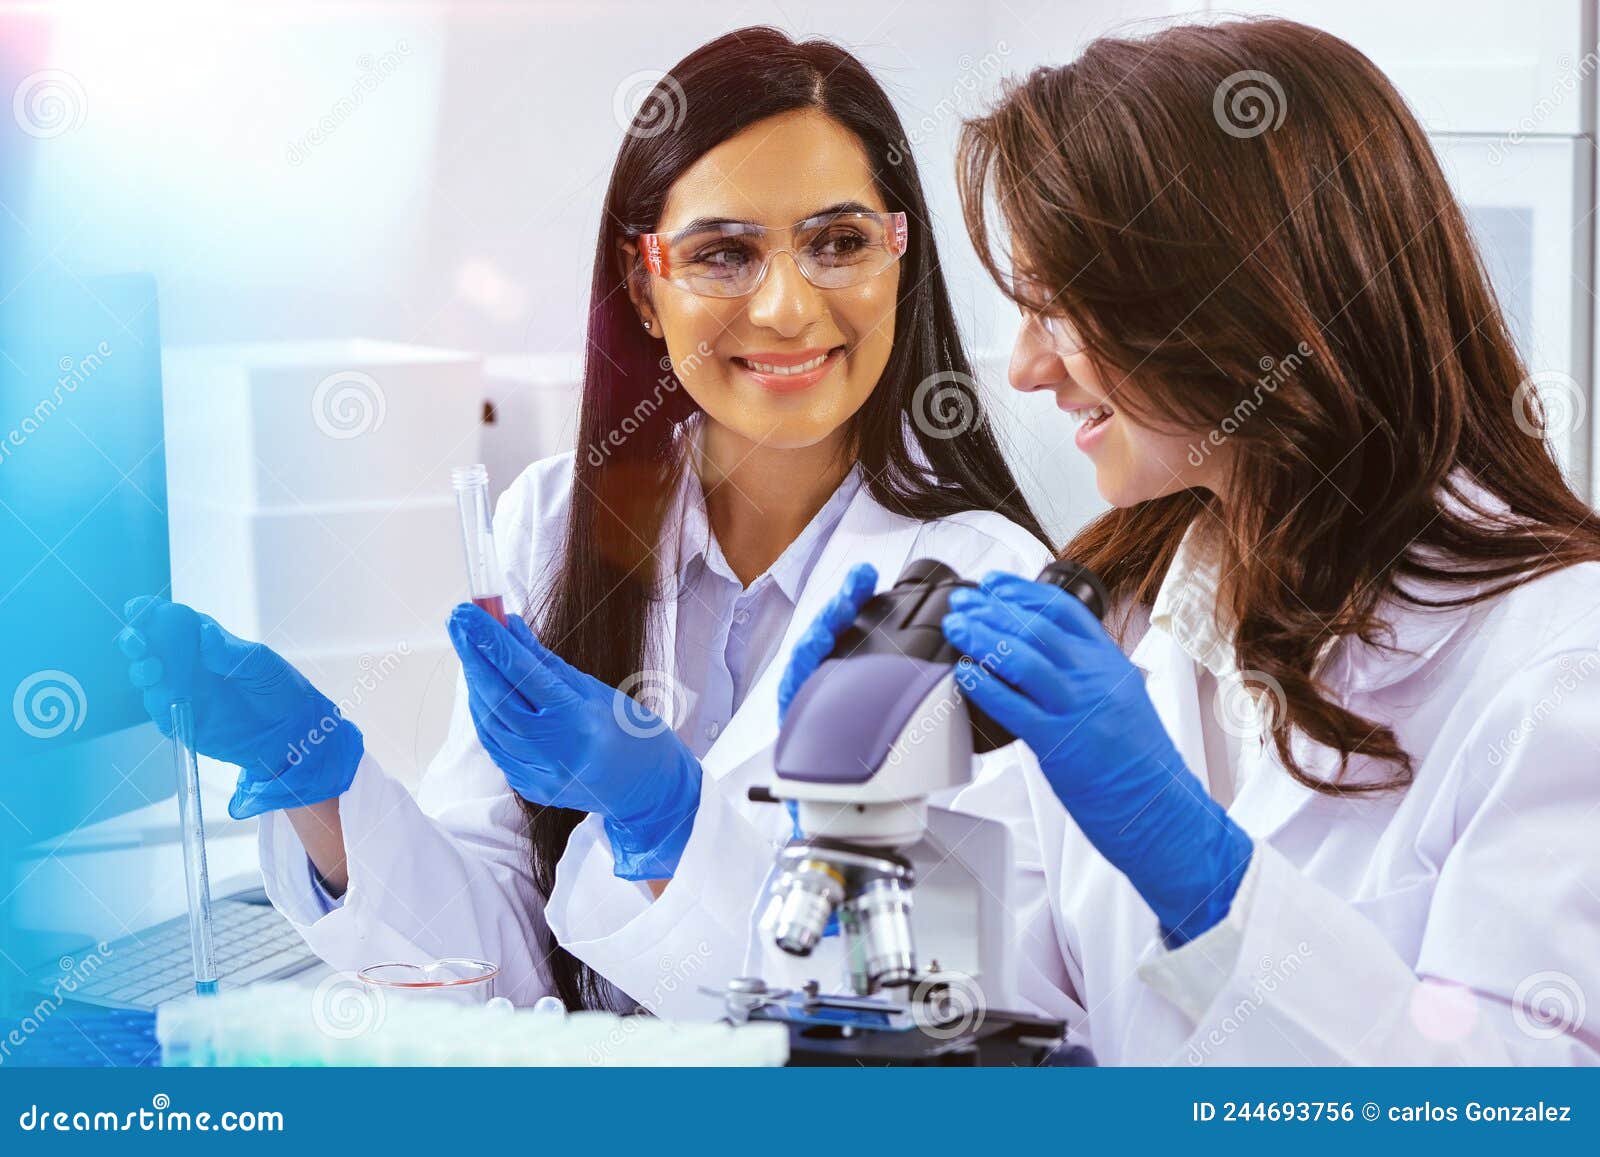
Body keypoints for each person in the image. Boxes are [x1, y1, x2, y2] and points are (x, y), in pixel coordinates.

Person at [117, 27, 1055, 1014]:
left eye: (838, 243)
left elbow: (933, 1006)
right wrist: (311, 775)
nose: (787, 305)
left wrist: (670, 820)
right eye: (724, 253)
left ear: (899, 257)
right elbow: (492, 966)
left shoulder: (984, 589)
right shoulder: (550, 519)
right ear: (645, 286)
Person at [789, 17, 1600, 1063]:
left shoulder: (1554, 661)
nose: (1026, 367)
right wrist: (864, 825)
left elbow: (1521, 1108)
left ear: (1237, 302)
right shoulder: (1124, 609)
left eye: (1054, 307)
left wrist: (1209, 883)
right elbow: (990, 1023)